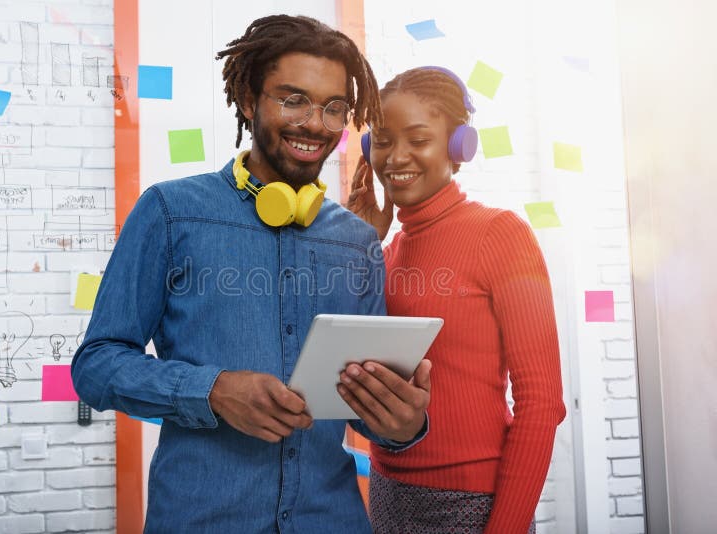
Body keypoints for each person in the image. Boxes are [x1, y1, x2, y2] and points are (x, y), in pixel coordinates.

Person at [72, 15, 431, 534]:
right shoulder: (170, 213)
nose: (314, 123)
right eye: (293, 99)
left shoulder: (356, 241)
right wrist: (212, 390)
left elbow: (359, 400)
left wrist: (401, 423)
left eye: (334, 108)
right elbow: (96, 366)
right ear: (247, 99)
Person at [345, 66, 566, 534]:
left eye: (418, 139)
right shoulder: (384, 252)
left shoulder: (500, 234)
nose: (394, 157)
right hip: (387, 495)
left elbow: (541, 402)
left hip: (471, 505)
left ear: (459, 147)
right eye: (382, 140)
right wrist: (359, 243)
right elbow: (343, 362)